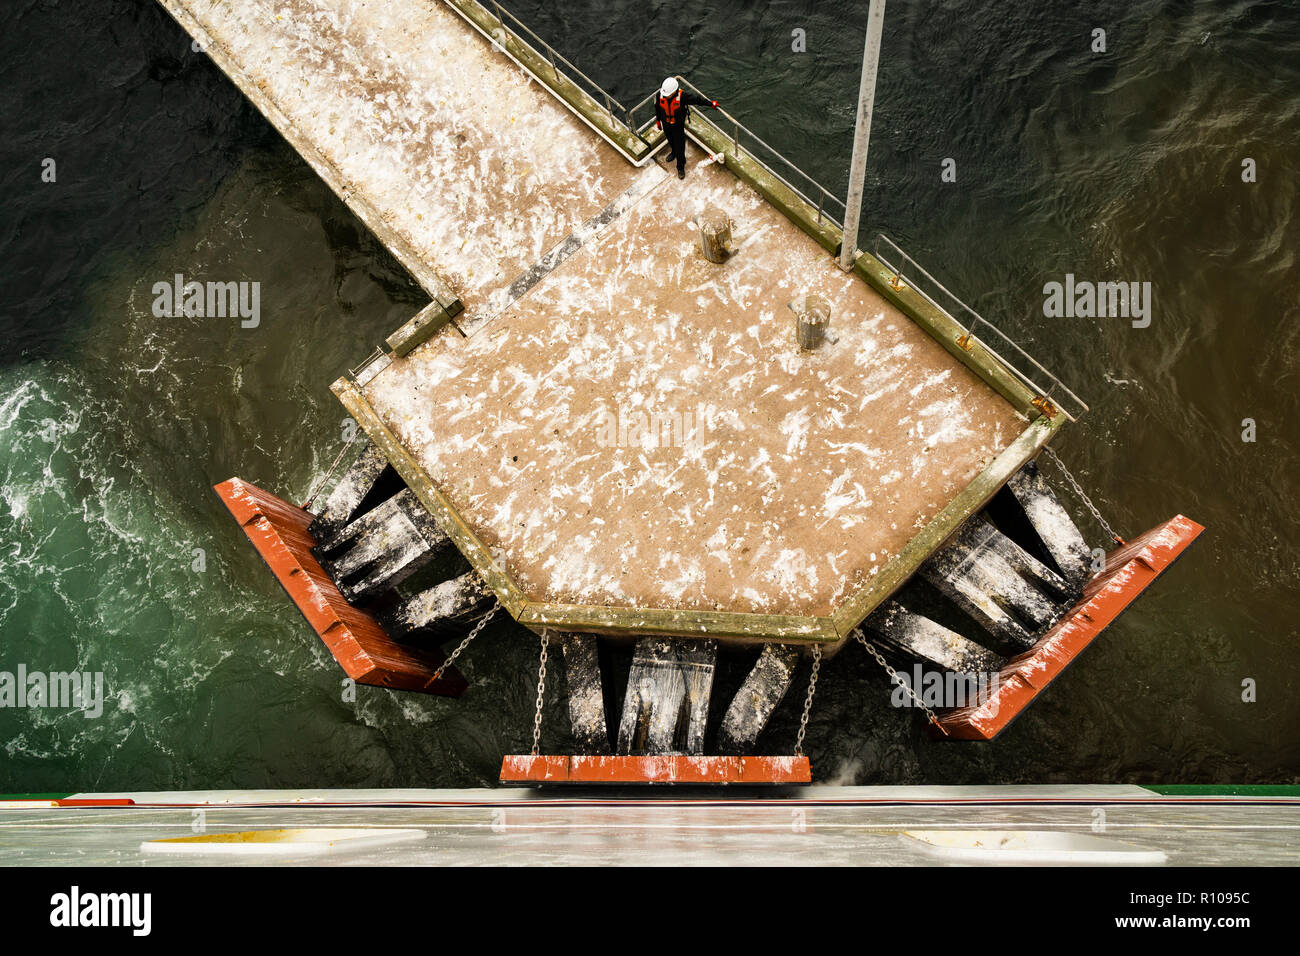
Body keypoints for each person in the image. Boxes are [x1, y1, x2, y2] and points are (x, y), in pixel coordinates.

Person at [654, 77, 719, 179]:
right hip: (666, 124)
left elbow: (697, 100)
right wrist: (658, 121)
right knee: (670, 141)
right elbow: (657, 108)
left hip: (677, 126)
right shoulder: (660, 95)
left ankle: (680, 167)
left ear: (674, 91)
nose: (667, 96)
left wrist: (711, 104)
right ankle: (673, 153)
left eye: (669, 94)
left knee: (680, 147)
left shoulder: (683, 97)